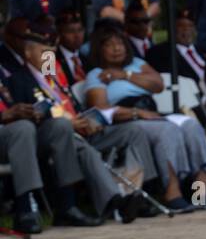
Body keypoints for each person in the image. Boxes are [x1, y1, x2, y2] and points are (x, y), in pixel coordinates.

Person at [3, 21, 149, 227]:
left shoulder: (55, 78)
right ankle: (112, 200)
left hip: (82, 130)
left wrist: (90, 120)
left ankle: (142, 192)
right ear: (28, 54)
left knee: (132, 130)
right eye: (44, 52)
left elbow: (74, 107)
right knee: (78, 144)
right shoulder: (20, 80)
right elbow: (31, 116)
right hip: (56, 135)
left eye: (52, 52)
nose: (49, 57)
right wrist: (69, 123)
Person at [82, 22, 206, 213]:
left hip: (150, 111)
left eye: (120, 43)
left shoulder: (136, 64)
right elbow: (102, 110)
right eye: (109, 45)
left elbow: (157, 84)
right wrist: (137, 113)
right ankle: (172, 191)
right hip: (129, 118)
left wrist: (125, 75)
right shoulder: (96, 75)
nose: (117, 48)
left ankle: (200, 190)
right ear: (99, 50)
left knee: (190, 125)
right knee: (167, 130)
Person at [146, 9, 206, 96]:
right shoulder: (159, 53)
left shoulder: (204, 51)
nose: (186, 30)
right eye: (181, 26)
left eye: (190, 26)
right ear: (172, 28)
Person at [56, 11, 88, 83]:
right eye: (70, 31)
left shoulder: (88, 58)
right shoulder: (52, 59)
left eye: (80, 30)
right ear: (59, 34)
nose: (77, 36)